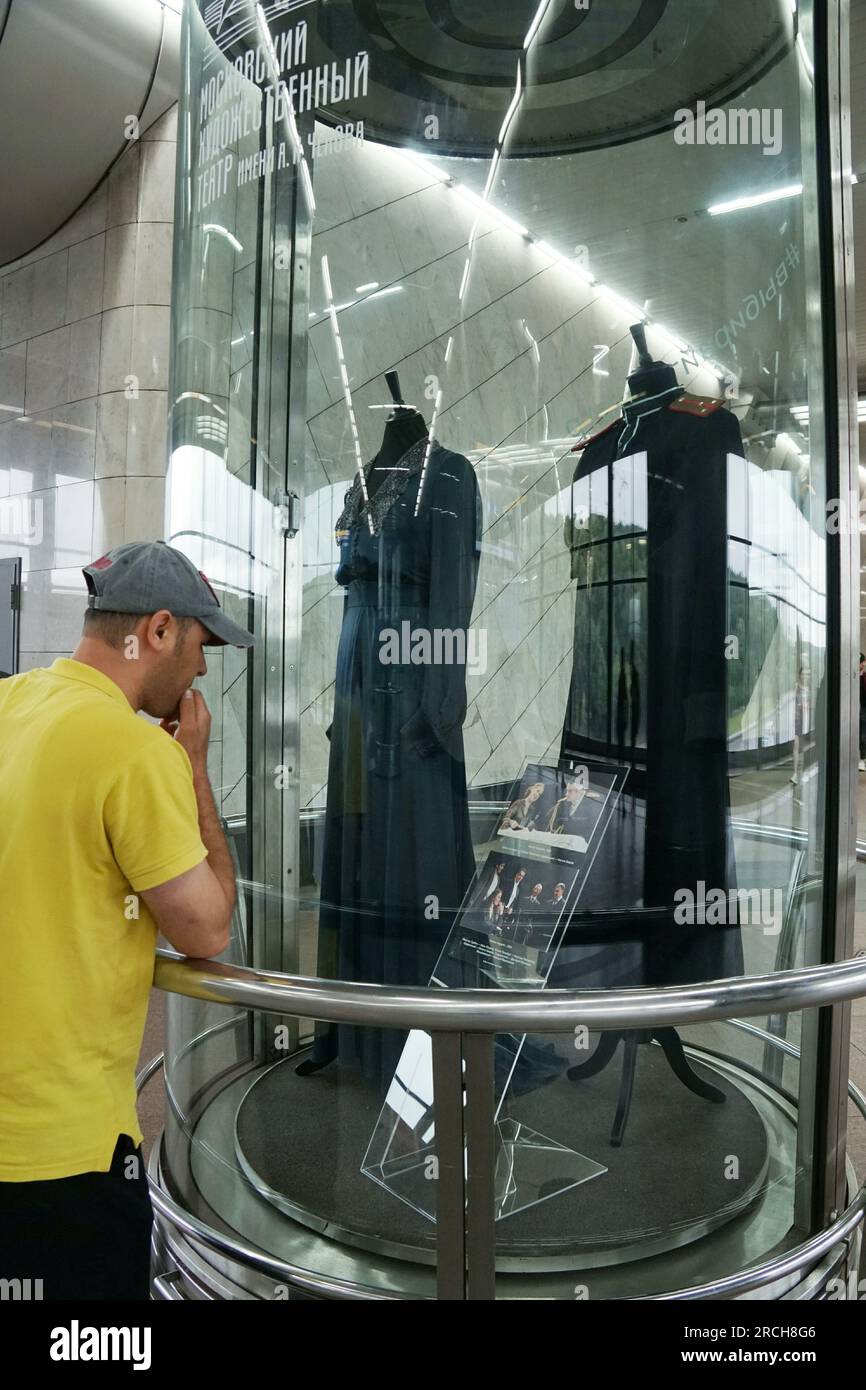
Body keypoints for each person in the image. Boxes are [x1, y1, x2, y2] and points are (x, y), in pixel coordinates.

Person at [0, 541, 254, 1301]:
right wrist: (197, 768)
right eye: (204, 645)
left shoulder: (11, 704)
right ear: (162, 629)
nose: (205, 671)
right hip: (62, 1159)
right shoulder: (135, 753)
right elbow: (207, 930)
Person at [860, 654, 866, 772]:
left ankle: (863, 759)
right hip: (858, 709)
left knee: (863, 735)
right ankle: (862, 758)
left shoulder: (864, 677)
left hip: (863, 709)